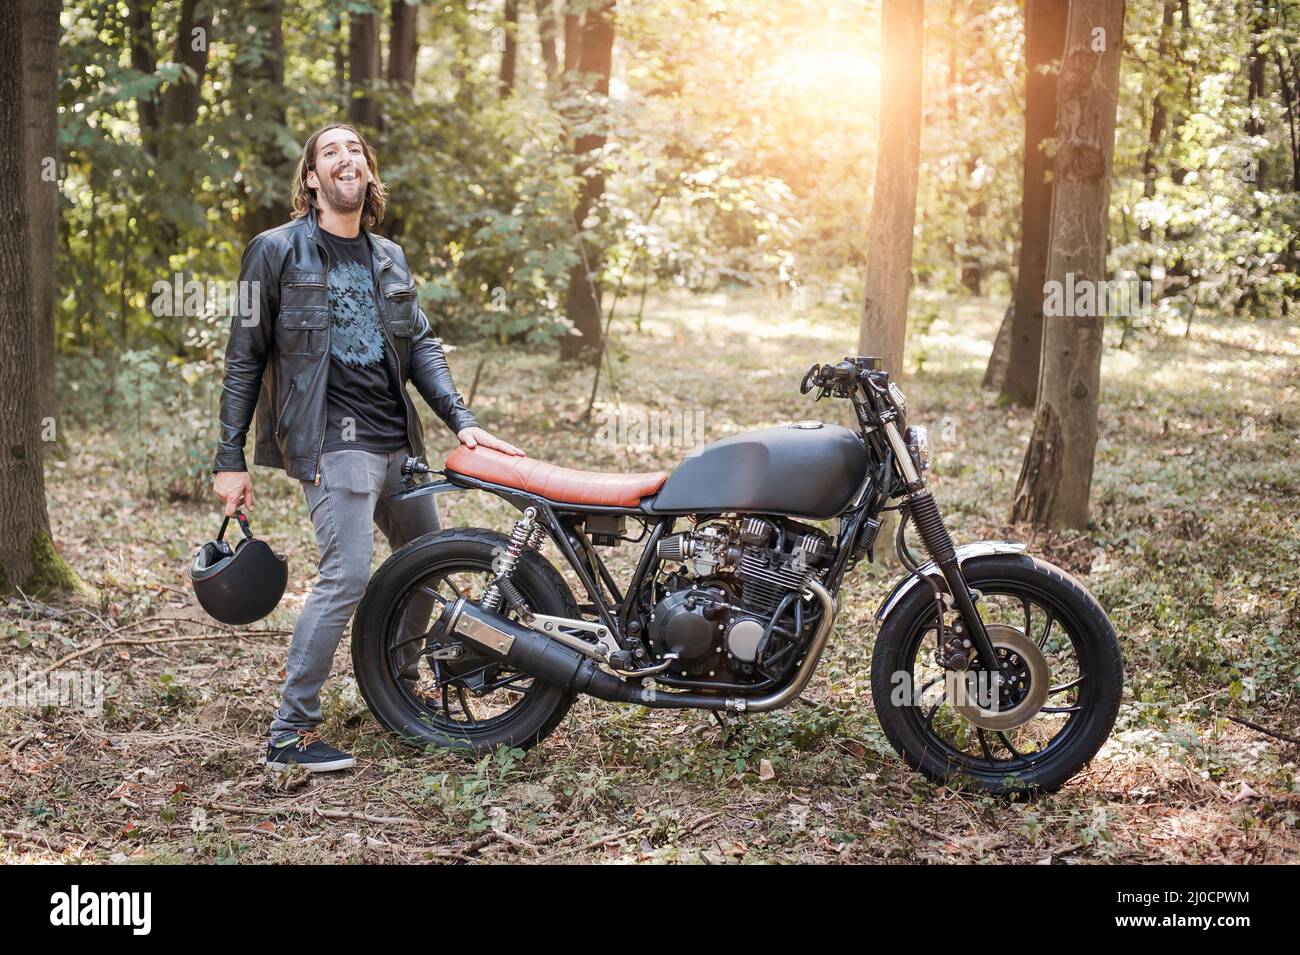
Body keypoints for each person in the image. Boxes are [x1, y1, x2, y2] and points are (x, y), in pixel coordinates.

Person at [211, 122, 524, 772]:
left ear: (368, 172)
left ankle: (398, 689)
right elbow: (244, 357)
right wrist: (229, 458)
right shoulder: (273, 251)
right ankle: (288, 736)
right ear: (311, 179)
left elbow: (424, 345)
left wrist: (459, 417)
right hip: (332, 444)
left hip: (397, 446)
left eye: (355, 149)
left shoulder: (389, 257)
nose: (345, 158)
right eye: (330, 151)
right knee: (349, 573)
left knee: (424, 567)